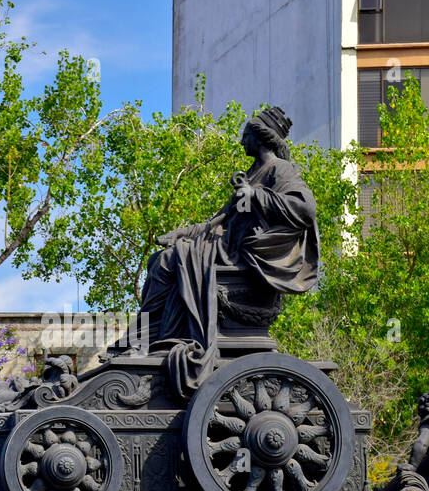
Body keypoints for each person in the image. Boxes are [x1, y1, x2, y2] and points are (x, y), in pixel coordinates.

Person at [136, 106, 321, 397]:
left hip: (245, 255)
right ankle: (150, 339)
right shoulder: (252, 173)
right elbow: (219, 222)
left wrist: (256, 195)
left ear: (260, 138)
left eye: (245, 134)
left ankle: (145, 340)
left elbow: (305, 209)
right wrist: (183, 233)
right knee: (160, 259)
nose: (241, 141)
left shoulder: (279, 170)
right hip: (226, 245)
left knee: (171, 261)